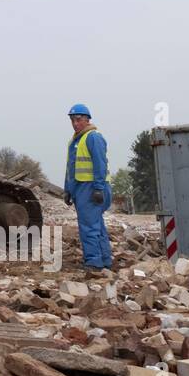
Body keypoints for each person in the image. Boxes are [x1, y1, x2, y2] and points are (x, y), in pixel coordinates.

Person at [64, 103, 113, 273]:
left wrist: (98, 188)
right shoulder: (75, 141)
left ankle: (93, 263)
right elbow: (70, 168)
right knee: (96, 225)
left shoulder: (93, 137)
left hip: (91, 187)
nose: (75, 123)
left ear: (87, 119)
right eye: (72, 120)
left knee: (89, 227)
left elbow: (100, 164)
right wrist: (68, 189)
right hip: (80, 188)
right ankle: (105, 260)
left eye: (78, 120)